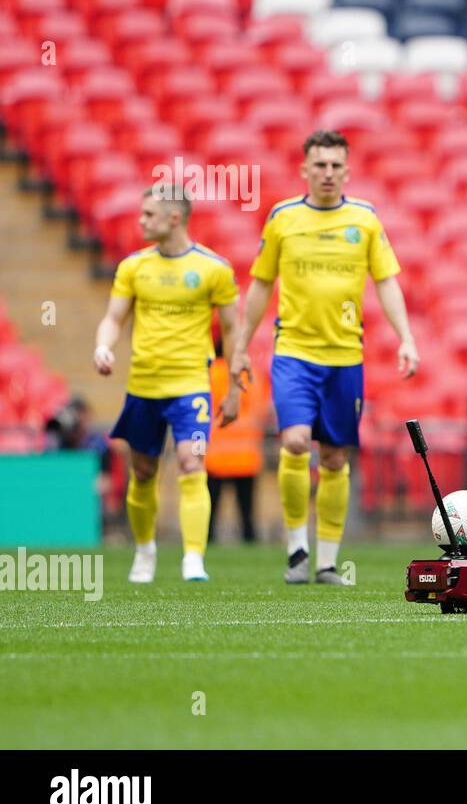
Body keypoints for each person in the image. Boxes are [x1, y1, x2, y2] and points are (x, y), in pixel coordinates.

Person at [228, 130, 419, 585]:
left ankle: (328, 561)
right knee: (294, 441)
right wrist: (239, 345)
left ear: (347, 171)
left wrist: (406, 337)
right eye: (320, 165)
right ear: (305, 170)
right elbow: (259, 284)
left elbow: (387, 281)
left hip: (345, 357)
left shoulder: (365, 220)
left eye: (336, 165)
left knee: (334, 457)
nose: (328, 173)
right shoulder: (283, 219)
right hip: (294, 352)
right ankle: (297, 547)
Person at [93, 185, 240, 583]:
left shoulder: (213, 269)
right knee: (142, 471)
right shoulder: (133, 268)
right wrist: (103, 347)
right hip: (143, 385)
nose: (141, 222)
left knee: (193, 463)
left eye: (148, 215)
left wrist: (235, 388)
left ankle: (194, 559)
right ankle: (145, 552)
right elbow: (113, 318)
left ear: (174, 218)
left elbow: (232, 330)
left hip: (191, 385)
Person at [205, 338, 270, 544]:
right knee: (247, 516)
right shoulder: (251, 375)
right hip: (246, 456)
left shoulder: (209, 375)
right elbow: (261, 408)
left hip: (215, 456)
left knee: (209, 518)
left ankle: (203, 550)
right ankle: (251, 548)